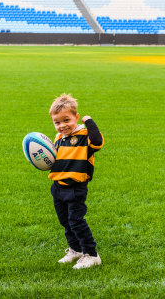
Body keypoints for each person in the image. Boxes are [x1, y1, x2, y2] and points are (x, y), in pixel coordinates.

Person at [48, 94, 104, 269]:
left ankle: (92, 254)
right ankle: (76, 249)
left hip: (75, 187)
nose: (62, 125)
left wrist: (89, 121)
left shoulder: (84, 135)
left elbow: (98, 142)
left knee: (76, 221)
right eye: (57, 122)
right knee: (65, 221)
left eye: (66, 120)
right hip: (58, 187)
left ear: (76, 117)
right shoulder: (58, 138)